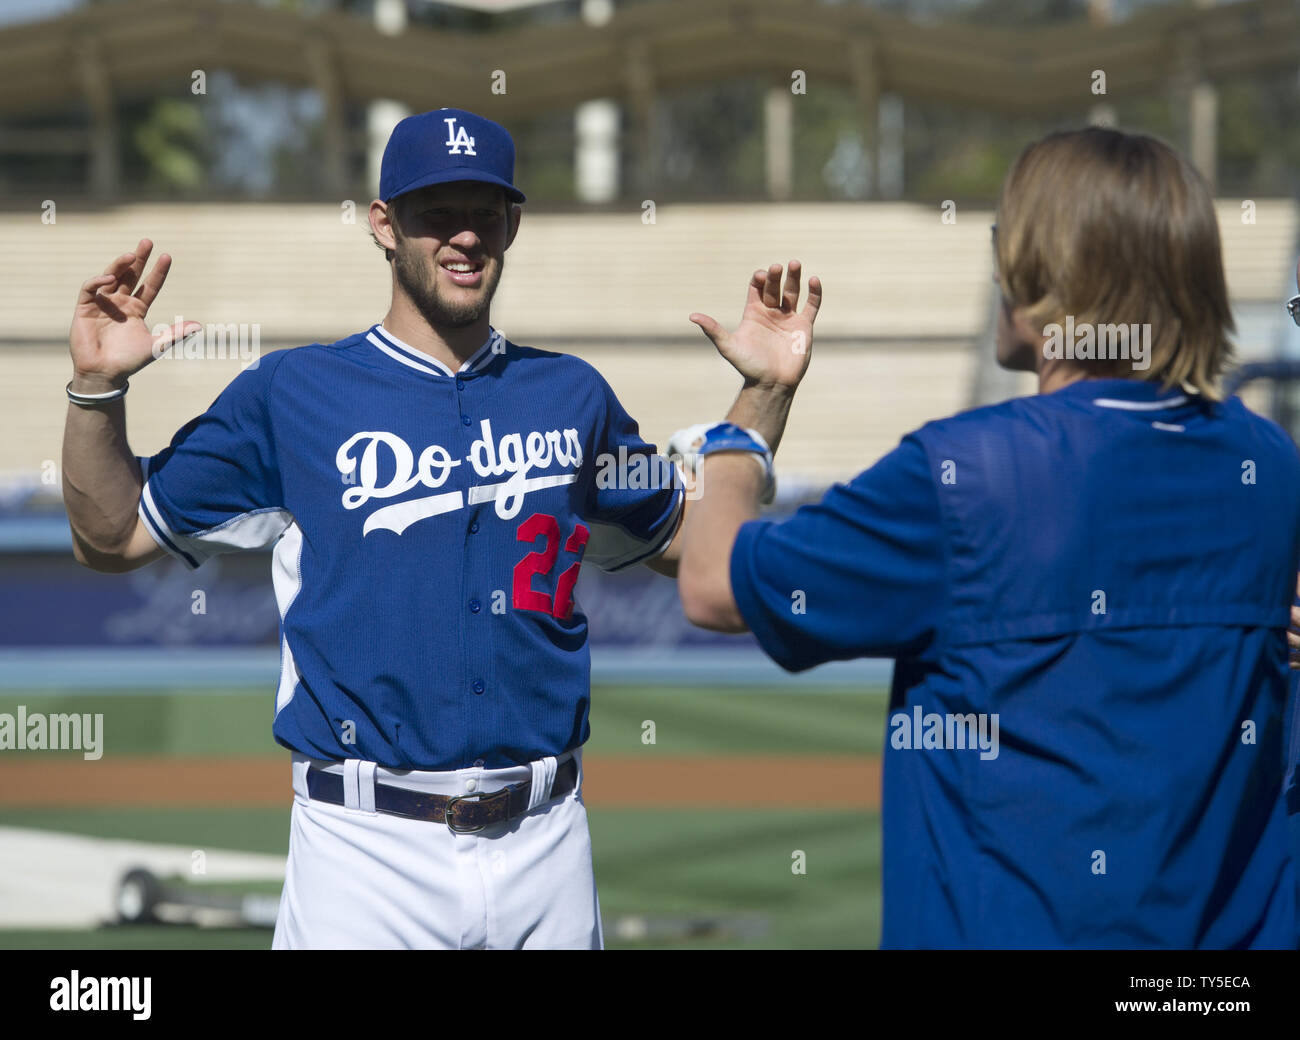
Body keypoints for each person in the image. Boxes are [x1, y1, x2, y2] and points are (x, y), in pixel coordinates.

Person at [60, 108, 820, 949]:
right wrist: (96, 389)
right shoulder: (292, 394)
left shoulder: (573, 396)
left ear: (513, 224)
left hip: (547, 841)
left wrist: (767, 393)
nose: (464, 236)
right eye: (435, 213)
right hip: (363, 855)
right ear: (384, 225)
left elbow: (696, 537)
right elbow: (113, 534)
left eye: (485, 212)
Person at [677, 126, 1299, 948]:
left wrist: (739, 436)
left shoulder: (966, 472)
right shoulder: (1267, 463)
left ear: (1045, 268)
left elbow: (713, 584)